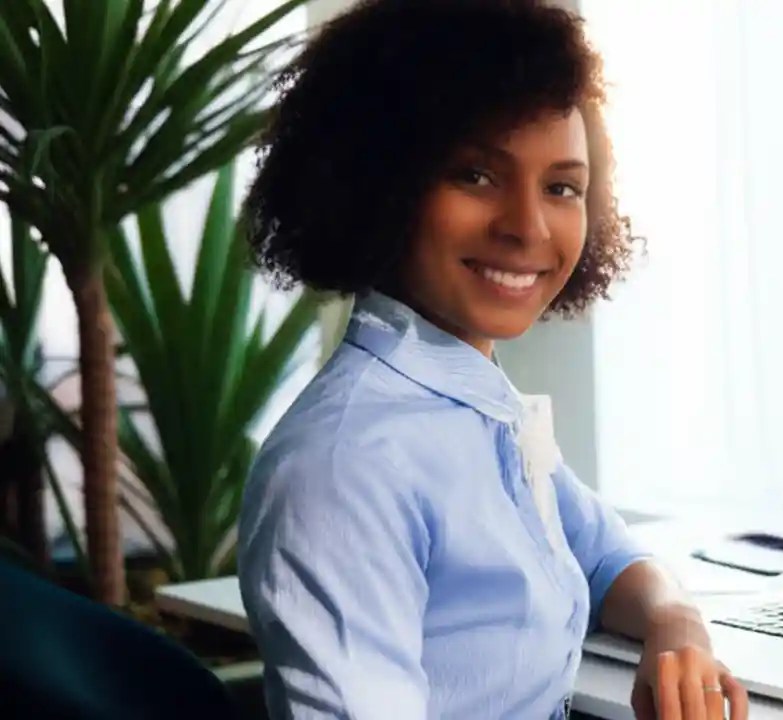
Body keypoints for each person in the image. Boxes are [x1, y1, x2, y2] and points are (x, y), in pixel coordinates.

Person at [235, 1, 748, 718]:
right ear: (377, 183)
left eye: (562, 187)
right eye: (475, 175)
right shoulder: (349, 463)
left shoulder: (471, 403)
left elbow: (607, 557)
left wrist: (676, 627)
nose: (528, 227)